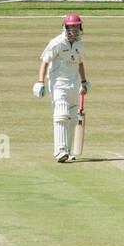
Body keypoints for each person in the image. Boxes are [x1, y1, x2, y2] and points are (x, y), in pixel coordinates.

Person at [34, 13, 88, 163]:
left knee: (72, 119)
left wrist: (84, 82)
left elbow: (80, 62)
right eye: (72, 26)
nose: (74, 29)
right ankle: (59, 151)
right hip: (58, 83)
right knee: (62, 114)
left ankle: (68, 151)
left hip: (74, 83)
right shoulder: (56, 43)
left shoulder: (80, 44)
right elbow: (45, 61)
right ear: (65, 27)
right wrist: (40, 82)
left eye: (77, 26)